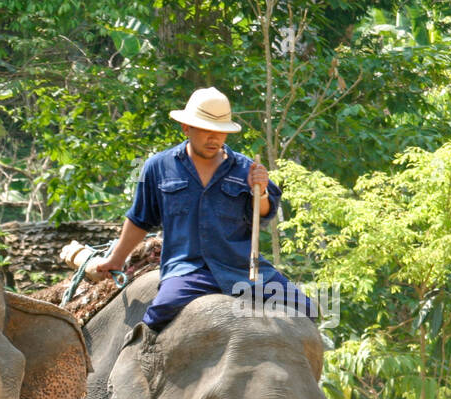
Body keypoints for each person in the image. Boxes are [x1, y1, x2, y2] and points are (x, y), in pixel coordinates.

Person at [85, 87, 315, 331]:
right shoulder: (157, 167)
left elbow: (264, 215)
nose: (214, 138)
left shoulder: (246, 169)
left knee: (307, 308)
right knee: (155, 321)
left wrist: (260, 191)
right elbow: (140, 219)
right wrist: (116, 259)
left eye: (220, 132)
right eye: (206, 130)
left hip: (242, 271)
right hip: (187, 271)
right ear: (186, 128)